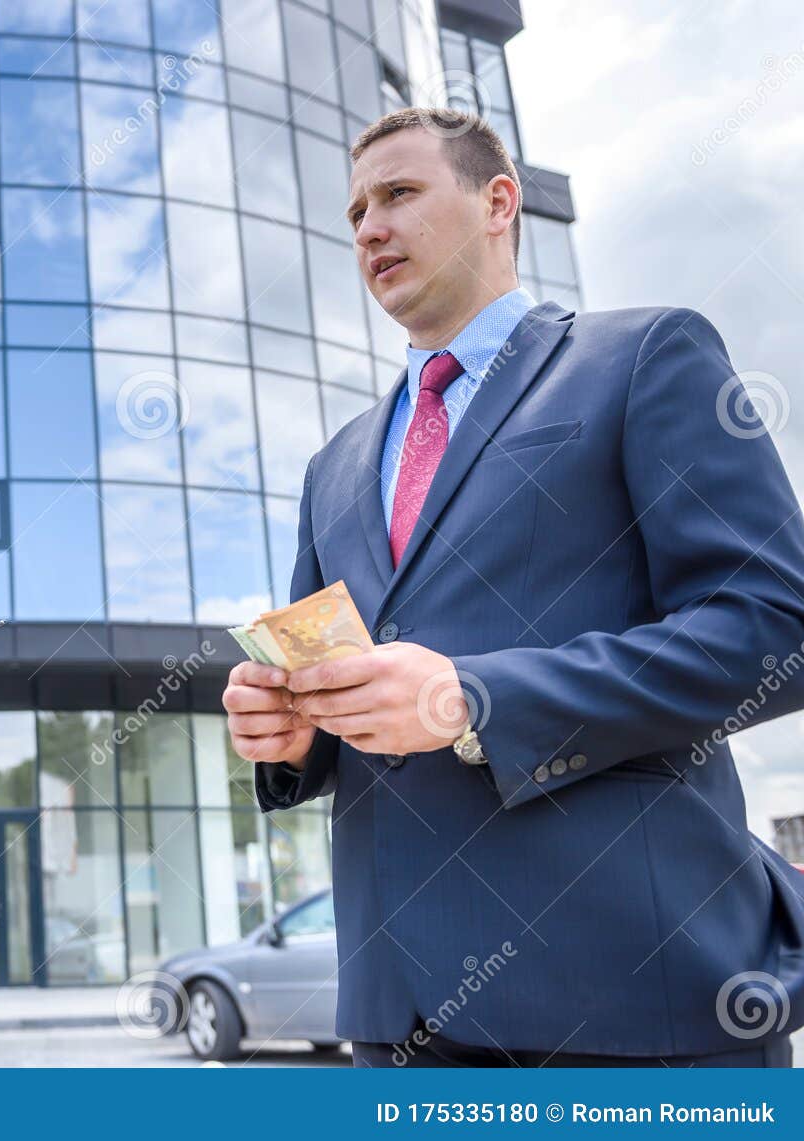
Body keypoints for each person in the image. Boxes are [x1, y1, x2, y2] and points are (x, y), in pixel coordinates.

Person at [224, 109, 804, 1067]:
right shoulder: (333, 468)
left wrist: (475, 698)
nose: (369, 227)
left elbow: (775, 627)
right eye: (356, 212)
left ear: (499, 203)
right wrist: (294, 737)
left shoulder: (644, 356)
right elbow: (356, 690)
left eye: (398, 194)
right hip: (399, 1016)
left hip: (627, 988)